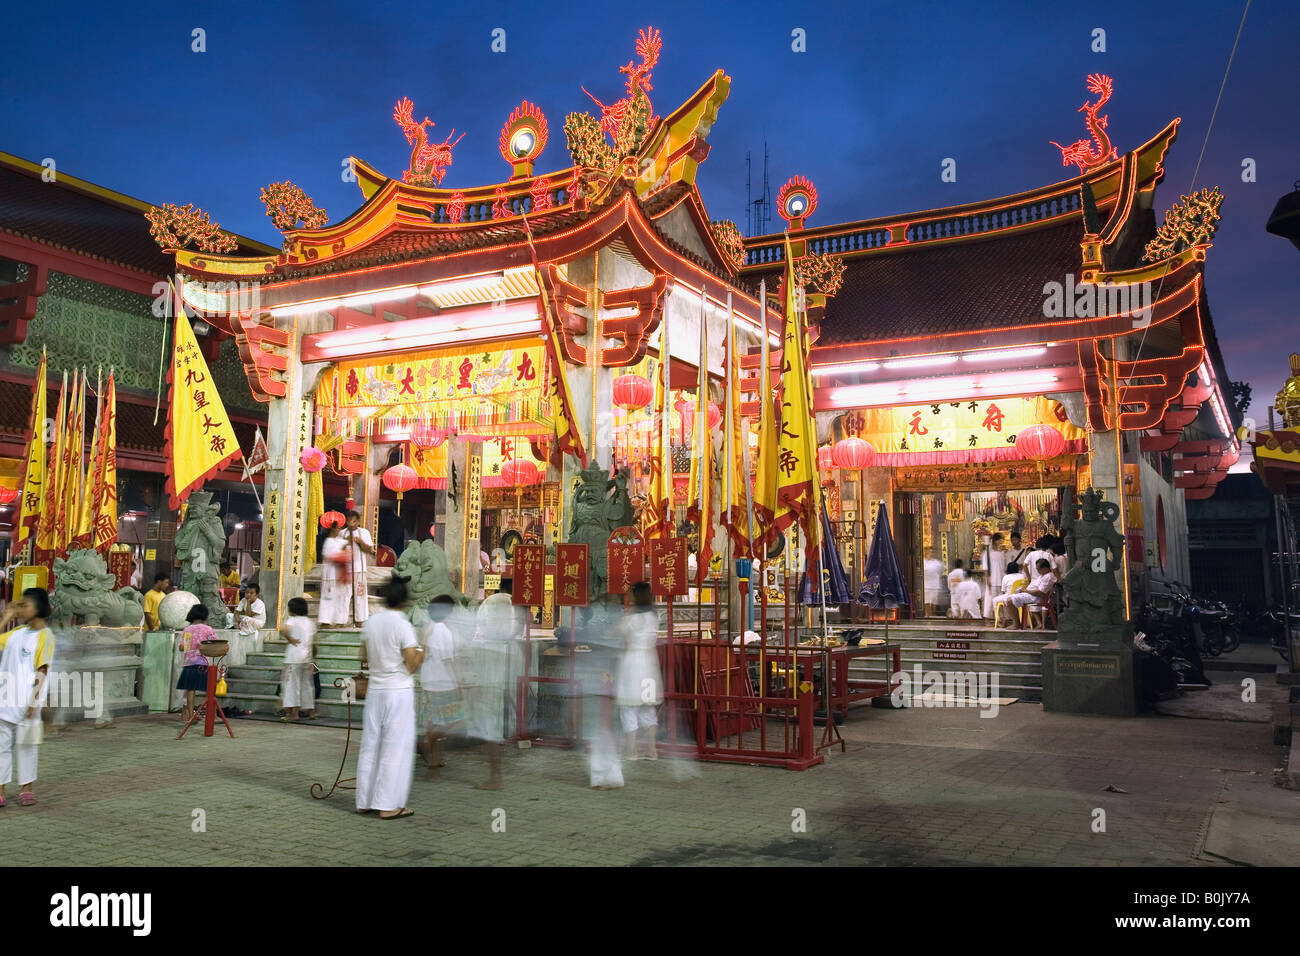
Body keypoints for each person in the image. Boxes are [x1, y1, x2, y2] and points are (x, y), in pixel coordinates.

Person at [356, 576, 423, 819]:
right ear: (404, 600)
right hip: (398, 691)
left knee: (370, 745)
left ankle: (364, 800)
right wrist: (423, 648)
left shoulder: (371, 622)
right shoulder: (403, 624)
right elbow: (411, 664)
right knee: (396, 747)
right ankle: (387, 805)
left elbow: (362, 656)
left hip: (375, 689)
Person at [0, 588, 55, 807]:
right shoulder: (16, 633)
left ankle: (26, 789)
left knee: (27, 745)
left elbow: (42, 669)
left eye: (25, 605)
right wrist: (6, 617)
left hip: (29, 702)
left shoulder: (45, 636)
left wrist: (34, 700)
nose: (21, 609)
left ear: (39, 608)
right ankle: (1, 790)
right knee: (2, 746)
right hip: (5, 700)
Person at [463, 593, 521, 791]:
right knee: (488, 731)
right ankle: (494, 773)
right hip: (493, 686)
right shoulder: (506, 644)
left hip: (489, 688)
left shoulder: (494, 644)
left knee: (489, 731)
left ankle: (495, 776)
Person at [417, 595, 461, 779]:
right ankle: (427, 742)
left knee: (433, 721)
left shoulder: (427, 627)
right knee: (454, 718)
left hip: (428, 680)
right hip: (443, 683)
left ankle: (435, 758)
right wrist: (459, 684)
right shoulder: (443, 630)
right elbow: (449, 661)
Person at [616, 582, 661, 763]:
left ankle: (631, 750)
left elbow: (617, 631)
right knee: (647, 707)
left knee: (629, 707)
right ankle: (652, 750)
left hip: (633, 664)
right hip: (650, 664)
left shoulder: (632, 618)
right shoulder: (653, 616)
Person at [992, 558, 1059, 628]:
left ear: (1045, 568)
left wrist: (1026, 591)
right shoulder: (1043, 576)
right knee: (1006, 599)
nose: (1038, 571)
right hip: (1030, 594)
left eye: (1039, 569)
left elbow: (1041, 592)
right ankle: (1015, 622)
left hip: (1035, 597)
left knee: (1009, 600)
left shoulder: (1049, 577)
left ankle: (1016, 623)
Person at [176, 604, 215, 723]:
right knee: (209, 689)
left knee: (190, 689)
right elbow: (214, 643)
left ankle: (190, 714)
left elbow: (183, 647)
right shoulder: (208, 629)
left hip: (189, 663)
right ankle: (211, 714)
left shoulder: (187, 629)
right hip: (203, 663)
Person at [280, 597, 316, 722]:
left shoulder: (293, 620)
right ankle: (311, 712)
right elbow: (314, 642)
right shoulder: (309, 622)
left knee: (292, 685)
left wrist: (290, 639)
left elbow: (282, 629)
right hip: (307, 657)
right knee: (307, 685)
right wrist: (312, 660)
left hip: (293, 658)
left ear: (293, 609)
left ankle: (294, 714)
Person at [342, 511, 374, 624]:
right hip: (344, 570)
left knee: (360, 595)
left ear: (358, 521)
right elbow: (336, 551)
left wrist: (360, 542)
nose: (351, 524)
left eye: (354, 521)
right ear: (346, 521)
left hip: (359, 569)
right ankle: (342, 620)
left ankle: (360, 620)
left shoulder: (364, 532)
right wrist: (346, 543)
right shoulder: (341, 533)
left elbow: (369, 550)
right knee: (344, 595)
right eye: (349, 521)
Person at [318, 524, 349, 627]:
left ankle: (340, 620)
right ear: (332, 529)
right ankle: (325, 620)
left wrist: (345, 549)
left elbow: (348, 552)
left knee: (341, 597)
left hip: (340, 573)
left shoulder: (341, 541)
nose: (339, 530)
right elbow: (328, 556)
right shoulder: (328, 541)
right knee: (328, 597)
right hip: (330, 573)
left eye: (340, 528)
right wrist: (340, 555)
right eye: (337, 528)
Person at [983, 533, 1009, 619]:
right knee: (990, 600)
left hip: (1001, 581)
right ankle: (990, 619)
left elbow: (1004, 568)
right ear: (995, 541)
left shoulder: (1002, 554)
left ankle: (1001, 618)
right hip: (992, 580)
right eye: (1000, 539)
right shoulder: (987, 553)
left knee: (1001, 600)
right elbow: (985, 568)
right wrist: (987, 579)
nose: (1001, 542)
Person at [922, 549, 944, 617]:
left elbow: (941, 571)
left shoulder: (937, 563)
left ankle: (933, 614)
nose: (930, 553)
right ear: (925, 553)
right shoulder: (923, 562)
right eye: (929, 552)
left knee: (933, 601)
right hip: (925, 585)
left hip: (934, 585)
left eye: (932, 552)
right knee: (926, 601)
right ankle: (927, 614)